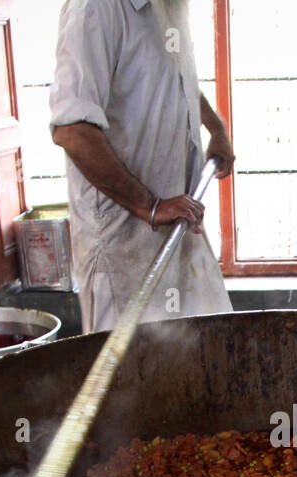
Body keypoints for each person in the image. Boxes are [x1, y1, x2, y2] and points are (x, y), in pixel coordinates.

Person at [50, 0, 234, 334]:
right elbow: (72, 130)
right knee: (136, 381)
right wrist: (150, 206)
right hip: (125, 255)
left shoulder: (170, 6)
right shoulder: (94, 9)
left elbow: (178, 79)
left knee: (204, 362)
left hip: (180, 232)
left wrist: (215, 126)